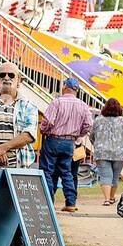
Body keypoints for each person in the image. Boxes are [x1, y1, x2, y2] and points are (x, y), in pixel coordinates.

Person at [38, 79, 94, 213]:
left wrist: (43, 130)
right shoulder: (83, 105)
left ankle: (48, 201)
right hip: (70, 142)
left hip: (53, 140)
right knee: (67, 172)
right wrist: (78, 135)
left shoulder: (57, 102)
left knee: (47, 171)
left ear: (64, 87)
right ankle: (70, 202)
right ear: (76, 90)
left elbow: (48, 121)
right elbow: (88, 125)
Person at [90, 98, 123, 206]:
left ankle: (107, 199)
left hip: (102, 152)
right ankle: (112, 197)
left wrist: (97, 144)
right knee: (114, 176)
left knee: (105, 176)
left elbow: (92, 136)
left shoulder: (98, 120)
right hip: (119, 153)